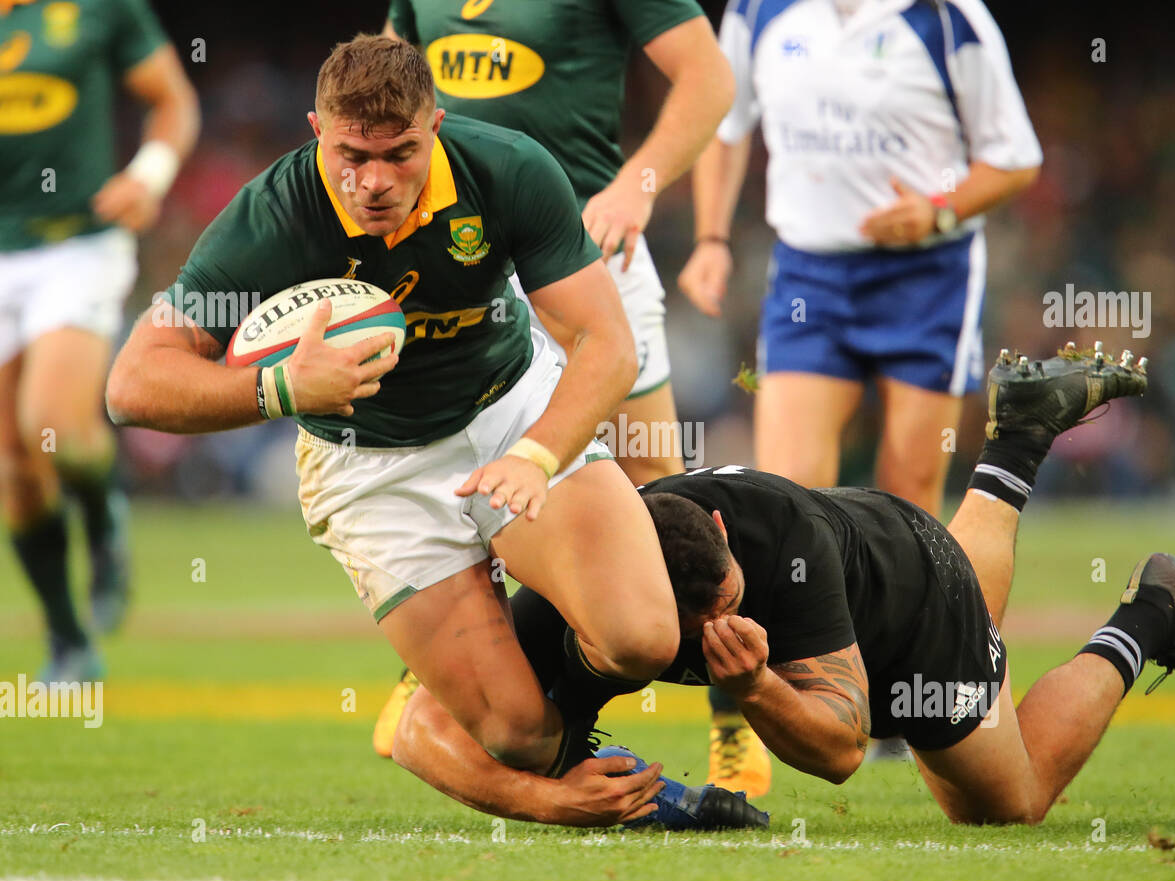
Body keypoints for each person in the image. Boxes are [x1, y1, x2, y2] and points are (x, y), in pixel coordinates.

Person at [105, 35, 681, 779]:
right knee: (516, 734)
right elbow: (131, 384)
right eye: (352, 155)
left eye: (399, 153)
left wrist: (538, 455)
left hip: (506, 406)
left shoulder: (508, 170)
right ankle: (590, 766)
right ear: (318, 132)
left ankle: (507, 634)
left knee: (642, 639)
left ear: (436, 125)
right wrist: (280, 390)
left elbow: (607, 343)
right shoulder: (273, 218)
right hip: (367, 463)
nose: (373, 180)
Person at [388, 343, 1175, 827]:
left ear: (723, 537)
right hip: (862, 545)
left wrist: (755, 682)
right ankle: (1015, 441)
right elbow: (414, 729)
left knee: (1003, 804)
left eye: (731, 597)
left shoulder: (781, 555)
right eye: (703, 619)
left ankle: (1152, 611)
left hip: (907, 601)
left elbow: (841, 753)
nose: (727, 617)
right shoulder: (598, 576)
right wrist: (542, 800)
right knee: (526, 728)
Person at [679, 0, 1044, 780]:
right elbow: (725, 120)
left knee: (911, 502)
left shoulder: (949, 18)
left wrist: (939, 207)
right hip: (810, 272)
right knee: (784, 500)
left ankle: (918, 700)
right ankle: (777, 711)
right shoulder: (759, 11)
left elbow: (1015, 158)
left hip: (928, 275)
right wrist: (711, 238)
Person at [373, 0, 736, 762]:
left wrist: (639, 183)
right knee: (463, 469)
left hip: (583, 255)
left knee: (663, 490)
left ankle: (735, 710)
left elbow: (709, 77)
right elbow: (383, 89)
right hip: (463, 262)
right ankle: (449, 673)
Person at [1, 0, 198, 681]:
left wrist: (148, 177)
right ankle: (67, 638)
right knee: (13, 466)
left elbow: (173, 100)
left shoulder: (95, 7)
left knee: (49, 422)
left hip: (75, 244)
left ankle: (101, 507)